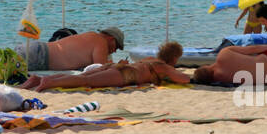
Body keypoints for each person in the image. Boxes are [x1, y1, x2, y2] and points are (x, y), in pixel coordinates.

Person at [21, 42, 190, 90]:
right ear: (174, 58)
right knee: (84, 81)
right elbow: (184, 79)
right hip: (124, 75)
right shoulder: (164, 67)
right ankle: (49, 82)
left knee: (82, 77)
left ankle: (40, 79)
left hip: (117, 68)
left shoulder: (149, 59)